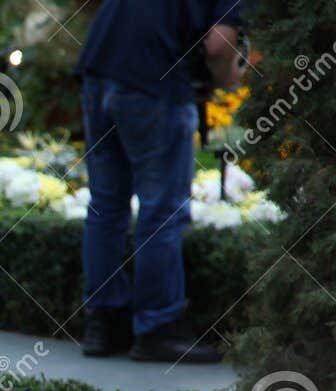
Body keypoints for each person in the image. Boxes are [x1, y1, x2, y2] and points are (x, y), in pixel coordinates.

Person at [75, 1, 246, 363]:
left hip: (99, 71)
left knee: (106, 202)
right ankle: (157, 328)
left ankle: (104, 325)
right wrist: (225, 78)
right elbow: (219, 46)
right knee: (163, 209)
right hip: (154, 82)